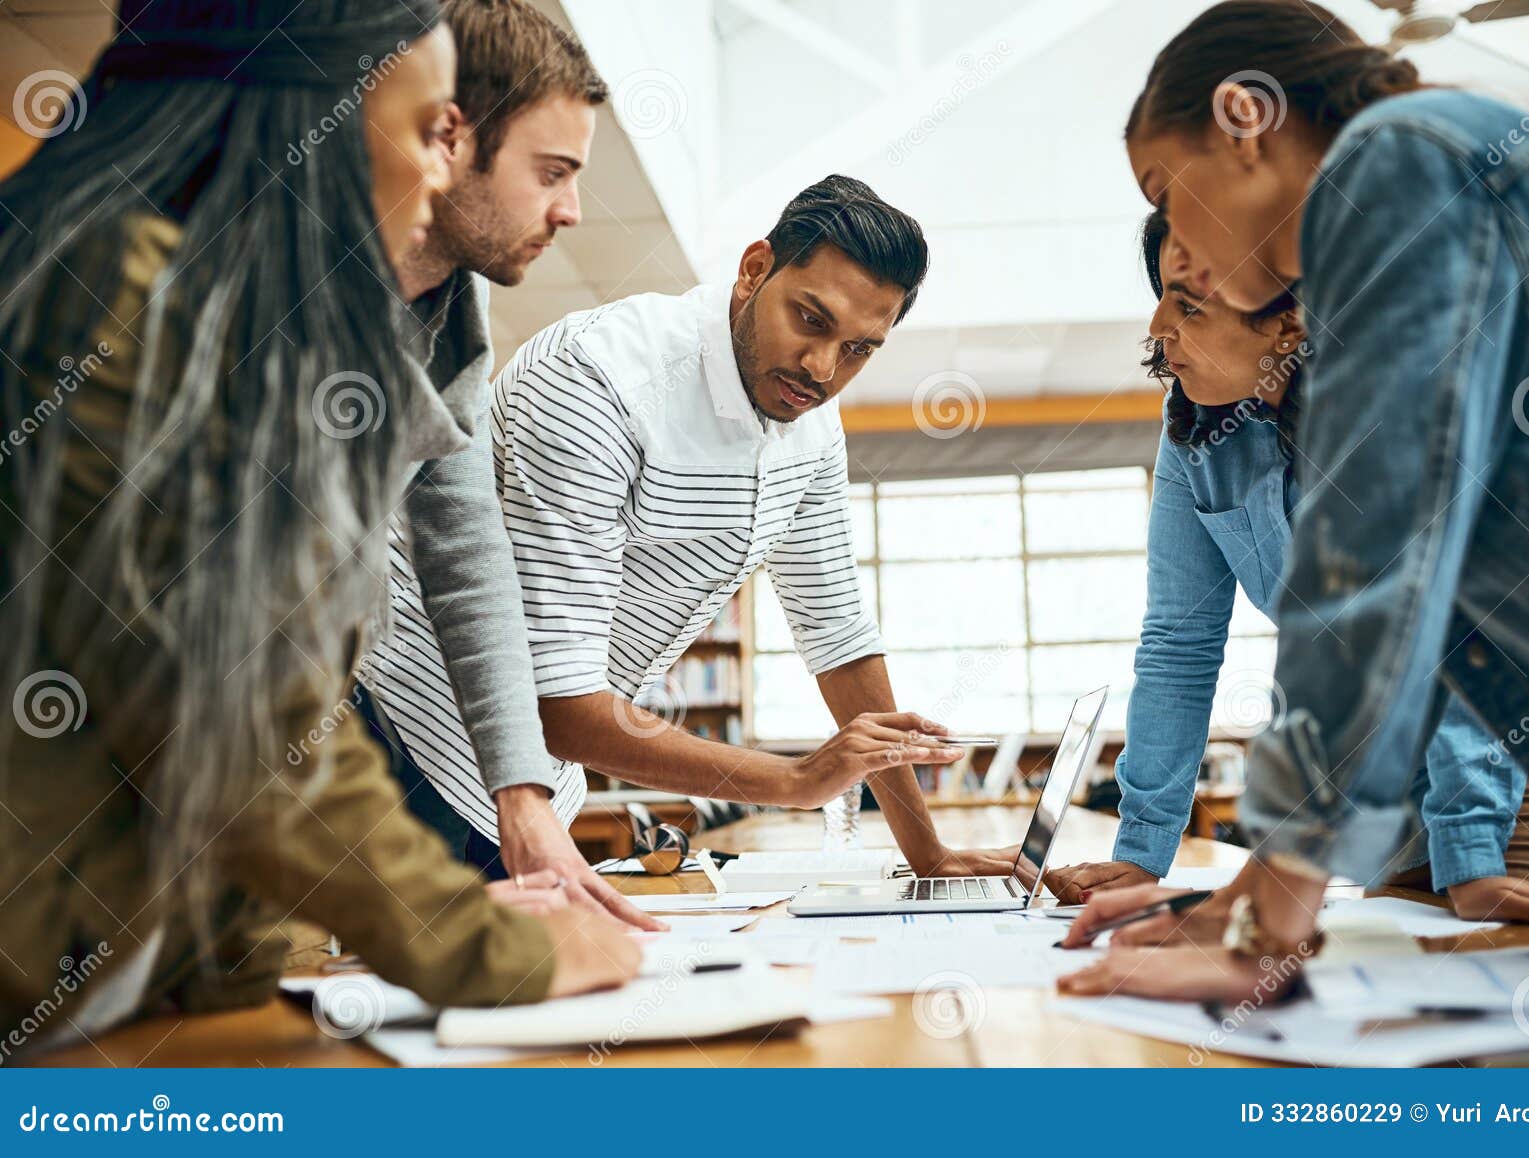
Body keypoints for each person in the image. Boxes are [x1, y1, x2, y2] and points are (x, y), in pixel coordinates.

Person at [0, 0, 634, 1053]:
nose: (440, 175)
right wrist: (490, 946)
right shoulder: (118, 298)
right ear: (317, 115)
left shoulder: (248, 313)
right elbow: (242, 705)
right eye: (432, 130)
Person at [1063, 0, 1529, 1003]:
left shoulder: (1399, 164)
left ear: (1242, 119)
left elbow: (1379, 558)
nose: (1174, 252)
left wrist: (1275, 905)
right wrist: (1266, 879)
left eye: (1163, 192)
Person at [375, 175, 1023, 881]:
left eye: (859, 349)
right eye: (810, 319)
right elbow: (559, 705)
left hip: (536, 789)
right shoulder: (599, 379)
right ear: (753, 271)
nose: (822, 368)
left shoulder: (811, 427)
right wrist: (795, 781)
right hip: (408, 757)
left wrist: (927, 854)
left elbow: (838, 636)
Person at [1056, 211, 1529, 926]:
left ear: (1290, 322)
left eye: (1190, 303)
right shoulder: (1196, 440)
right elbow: (1180, 644)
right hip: (1408, 791)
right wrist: (1143, 851)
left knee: (1517, 992)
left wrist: (1473, 851)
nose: (1157, 327)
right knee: (1389, 1000)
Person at [354, 0, 660, 931]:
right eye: (552, 172)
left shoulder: (454, 303)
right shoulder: (290, 298)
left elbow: (466, 547)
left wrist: (523, 796)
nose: (570, 208)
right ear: (449, 139)